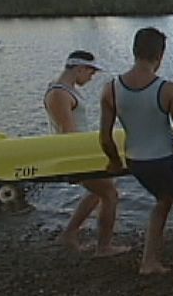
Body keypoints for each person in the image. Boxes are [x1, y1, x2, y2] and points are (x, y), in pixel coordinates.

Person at [100, 27, 173, 281]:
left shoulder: (111, 89)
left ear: (134, 51)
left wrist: (114, 162)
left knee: (163, 200)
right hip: (166, 160)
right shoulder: (168, 89)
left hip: (136, 161)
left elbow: (105, 138)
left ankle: (149, 262)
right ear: (160, 55)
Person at [45, 50, 129, 257]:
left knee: (98, 192)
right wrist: (76, 167)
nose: (91, 78)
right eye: (90, 73)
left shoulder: (62, 89)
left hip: (82, 152)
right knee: (110, 194)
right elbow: (68, 132)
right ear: (79, 68)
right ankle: (104, 247)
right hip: (76, 154)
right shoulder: (60, 94)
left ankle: (69, 234)